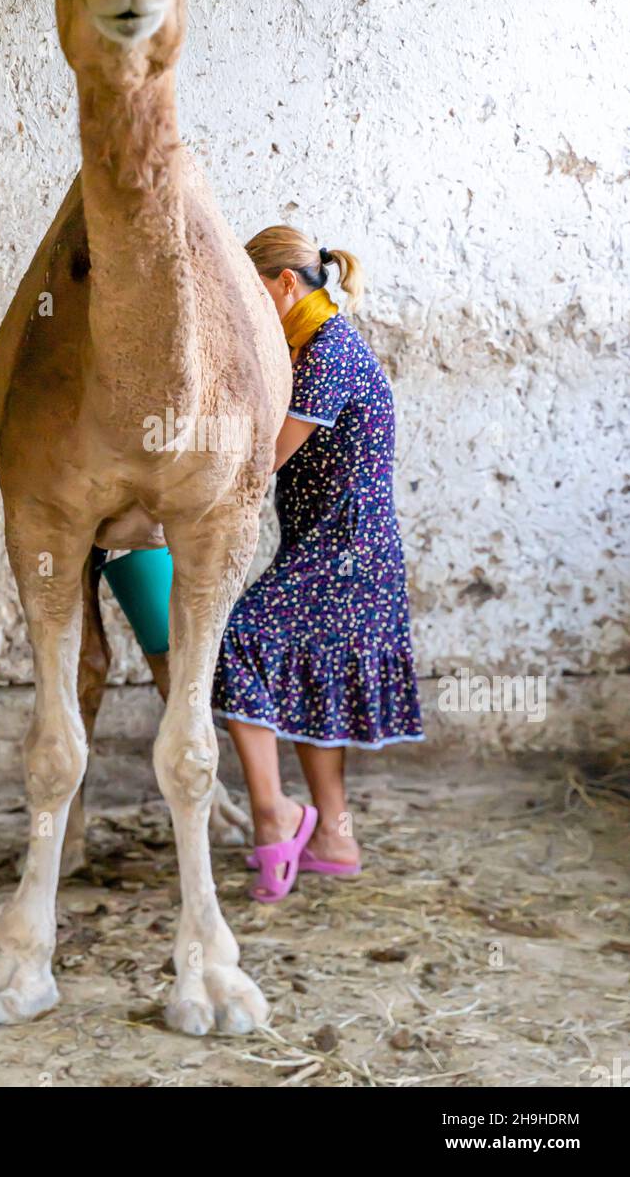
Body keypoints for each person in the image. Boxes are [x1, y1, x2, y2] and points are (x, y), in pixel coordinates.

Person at [211, 226, 423, 901]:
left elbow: (266, 457)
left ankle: (277, 814)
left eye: (251, 295)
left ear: (283, 284)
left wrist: (178, 496)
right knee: (315, 675)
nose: (246, 311)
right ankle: (334, 836)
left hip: (347, 550)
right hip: (330, 542)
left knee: (242, 637)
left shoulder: (328, 351)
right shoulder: (307, 345)